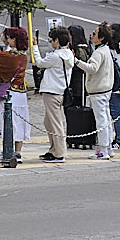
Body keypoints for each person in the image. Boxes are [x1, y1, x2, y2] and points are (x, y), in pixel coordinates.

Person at [0, 28, 31, 161]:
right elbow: (4, 59)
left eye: (9, 37)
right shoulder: (22, 56)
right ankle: (18, 152)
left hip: (9, 93)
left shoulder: (8, 56)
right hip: (21, 93)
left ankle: (7, 152)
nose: (7, 39)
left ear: (14, 39)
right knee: (20, 122)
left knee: (9, 123)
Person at [33, 26, 78, 164]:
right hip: (60, 91)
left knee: (55, 123)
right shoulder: (68, 54)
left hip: (52, 92)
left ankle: (59, 153)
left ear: (57, 40)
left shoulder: (55, 56)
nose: (51, 42)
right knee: (49, 122)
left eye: (51, 40)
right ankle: (53, 149)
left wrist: (35, 47)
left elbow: (39, 63)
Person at [72, 24, 116, 159]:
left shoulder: (99, 52)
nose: (92, 35)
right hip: (105, 89)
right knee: (106, 118)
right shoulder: (105, 50)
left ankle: (103, 149)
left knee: (101, 119)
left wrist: (76, 61)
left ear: (101, 38)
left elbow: (92, 68)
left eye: (95, 33)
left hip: (98, 90)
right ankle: (107, 147)